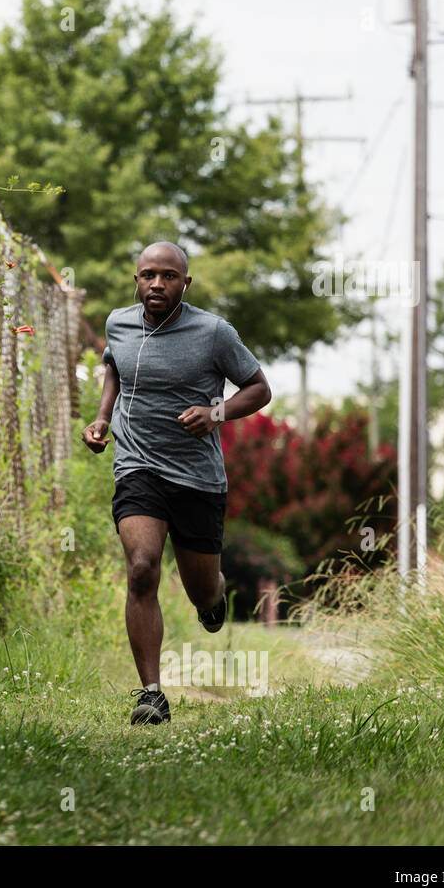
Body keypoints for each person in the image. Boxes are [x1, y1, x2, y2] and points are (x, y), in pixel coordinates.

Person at [82, 242, 271, 725]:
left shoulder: (213, 332)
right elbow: (113, 367)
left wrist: (216, 413)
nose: (157, 284)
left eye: (169, 276)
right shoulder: (118, 323)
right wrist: (103, 418)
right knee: (142, 568)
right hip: (138, 466)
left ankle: (215, 595)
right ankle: (151, 695)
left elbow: (259, 388)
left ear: (185, 284)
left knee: (201, 592)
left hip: (197, 479)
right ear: (137, 280)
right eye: (148, 275)